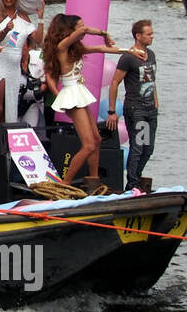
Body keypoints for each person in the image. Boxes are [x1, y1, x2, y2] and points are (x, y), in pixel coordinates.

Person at [43, 14, 136, 186]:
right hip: (72, 96)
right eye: (79, 26)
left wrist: (130, 51)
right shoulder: (61, 47)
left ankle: (93, 180)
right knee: (88, 145)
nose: (83, 29)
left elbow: (101, 49)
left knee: (97, 140)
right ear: (70, 30)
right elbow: (85, 31)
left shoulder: (75, 49)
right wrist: (104, 33)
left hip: (79, 93)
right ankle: (66, 183)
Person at [107, 19, 159, 192]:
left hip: (150, 109)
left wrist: (156, 104)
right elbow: (114, 82)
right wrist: (112, 110)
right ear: (138, 36)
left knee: (148, 149)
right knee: (138, 147)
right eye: (148, 34)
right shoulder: (128, 57)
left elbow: (152, 81)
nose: (152, 36)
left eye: (152, 33)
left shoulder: (150, 55)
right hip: (136, 109)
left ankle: (136, 177)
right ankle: (132, 185)